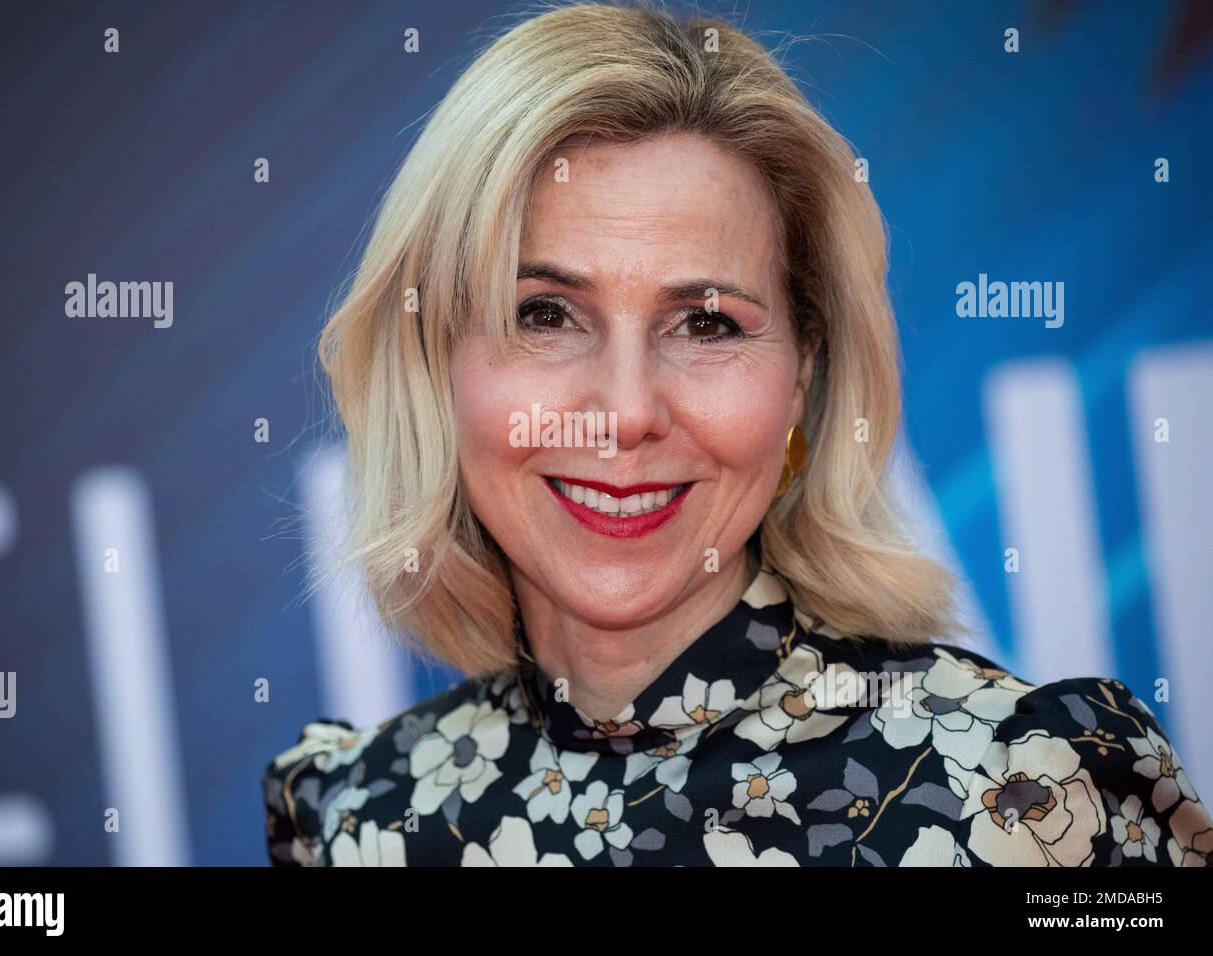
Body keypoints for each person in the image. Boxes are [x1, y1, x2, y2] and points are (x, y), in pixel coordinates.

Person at [262, 2, 1211, 866]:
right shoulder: (359, 821)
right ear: (438, 359)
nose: (626, 412)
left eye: (707, 323)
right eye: (546, 315)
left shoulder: (1028, 799)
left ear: (803, 374)